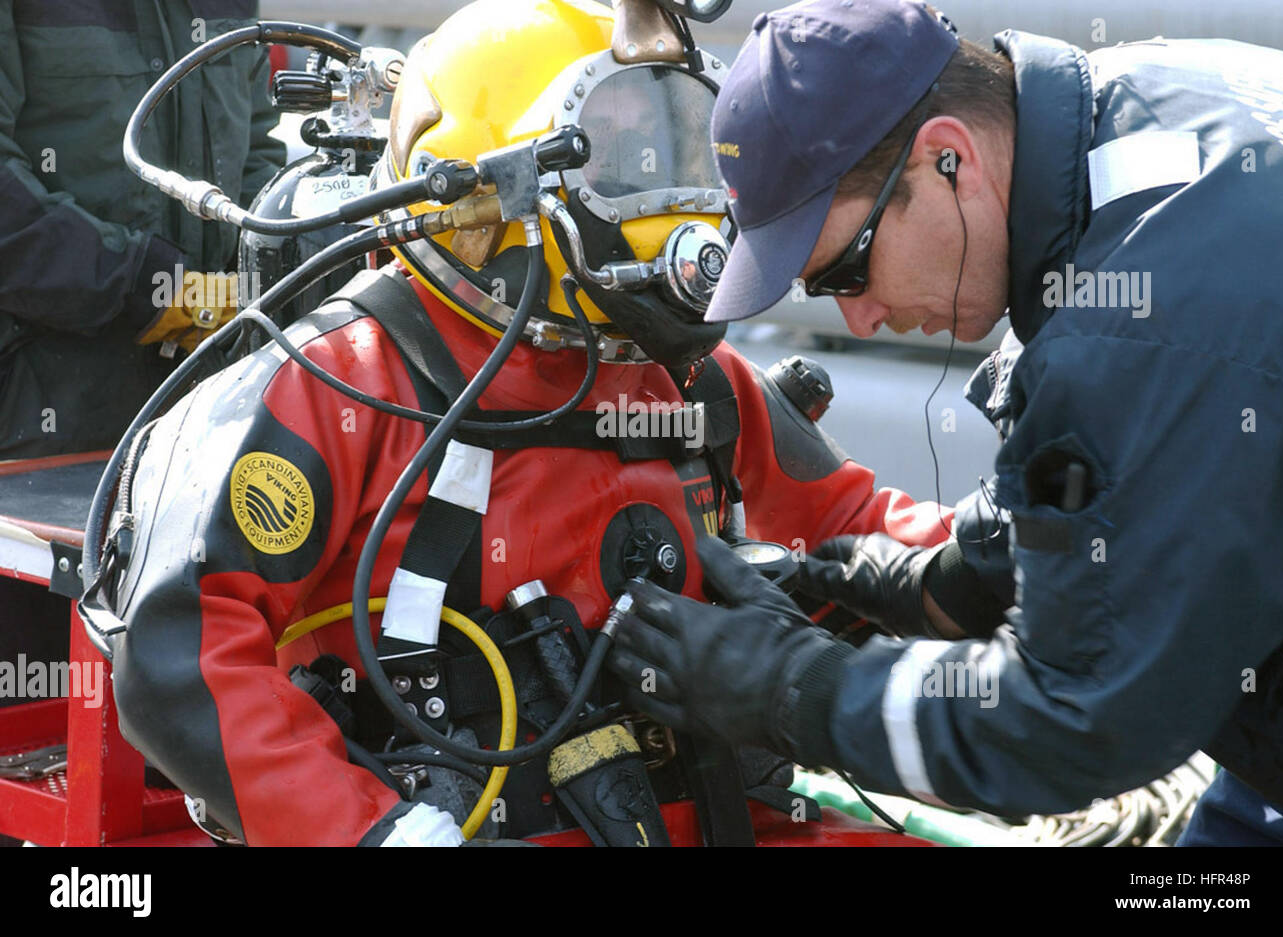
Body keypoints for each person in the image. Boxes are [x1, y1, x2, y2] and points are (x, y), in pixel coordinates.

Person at [91, 0, 950, 846]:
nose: (671, 202)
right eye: (619, 156)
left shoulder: (692, 379)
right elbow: (181, 651)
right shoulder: (333, 383)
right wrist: (378, 834)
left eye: (678, 143)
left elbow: (861, 530)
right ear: (481, 188)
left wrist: (1012, 560)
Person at [609, 0, 1283, 845]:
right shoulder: (1157, 99)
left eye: (846, 271)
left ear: (950, 158)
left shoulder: (1149, 321)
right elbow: (1166, 486)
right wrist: (907, 579)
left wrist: (793, 688)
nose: (856, 322)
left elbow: (1071, 728)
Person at [0, 0, 284, 457]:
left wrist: (259, 274)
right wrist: (145, 286)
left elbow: (256, 149)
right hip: (38, 411)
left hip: (209, 408)